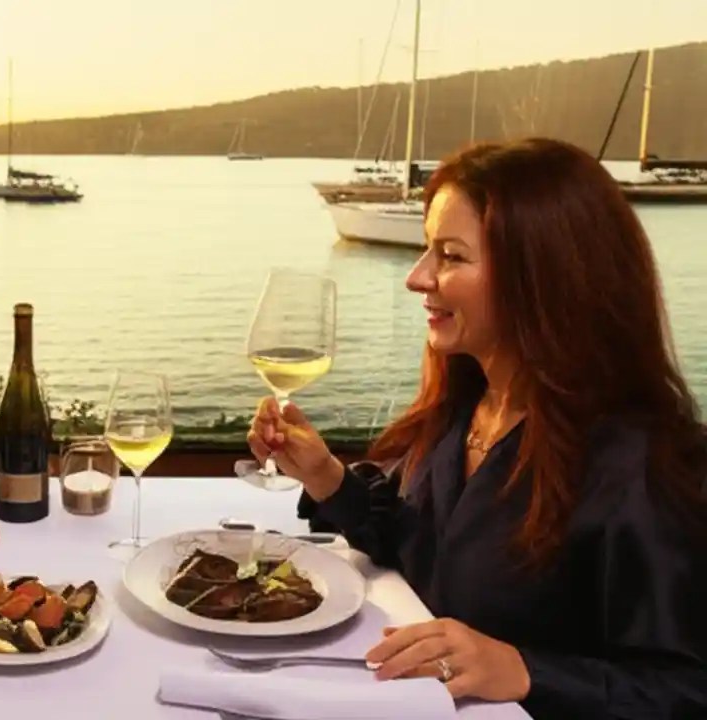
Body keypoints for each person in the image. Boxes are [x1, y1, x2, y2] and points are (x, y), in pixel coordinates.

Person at [249, 138, 707, 719]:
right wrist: (326, 478)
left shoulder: (642, 465)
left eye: (451, 256)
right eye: (426, 251)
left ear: (542, 276)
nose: (417, 278)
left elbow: (686, 689)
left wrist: (522, 670)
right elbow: (423, 544)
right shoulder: (468, 408)